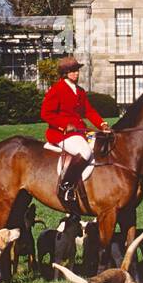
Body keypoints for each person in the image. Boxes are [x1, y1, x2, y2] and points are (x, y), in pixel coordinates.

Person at [41, 56, 108, 212]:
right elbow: (46, 113)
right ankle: (66, 186)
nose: (76, 74)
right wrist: (64, 125)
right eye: (72, 71)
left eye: (77, 70)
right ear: (65, 73)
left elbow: (89, 111)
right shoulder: (57, 89)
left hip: (79, 132)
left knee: (100, 144)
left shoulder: (80, 91)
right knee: (84, 152)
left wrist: (103, 124)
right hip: (61, 134)